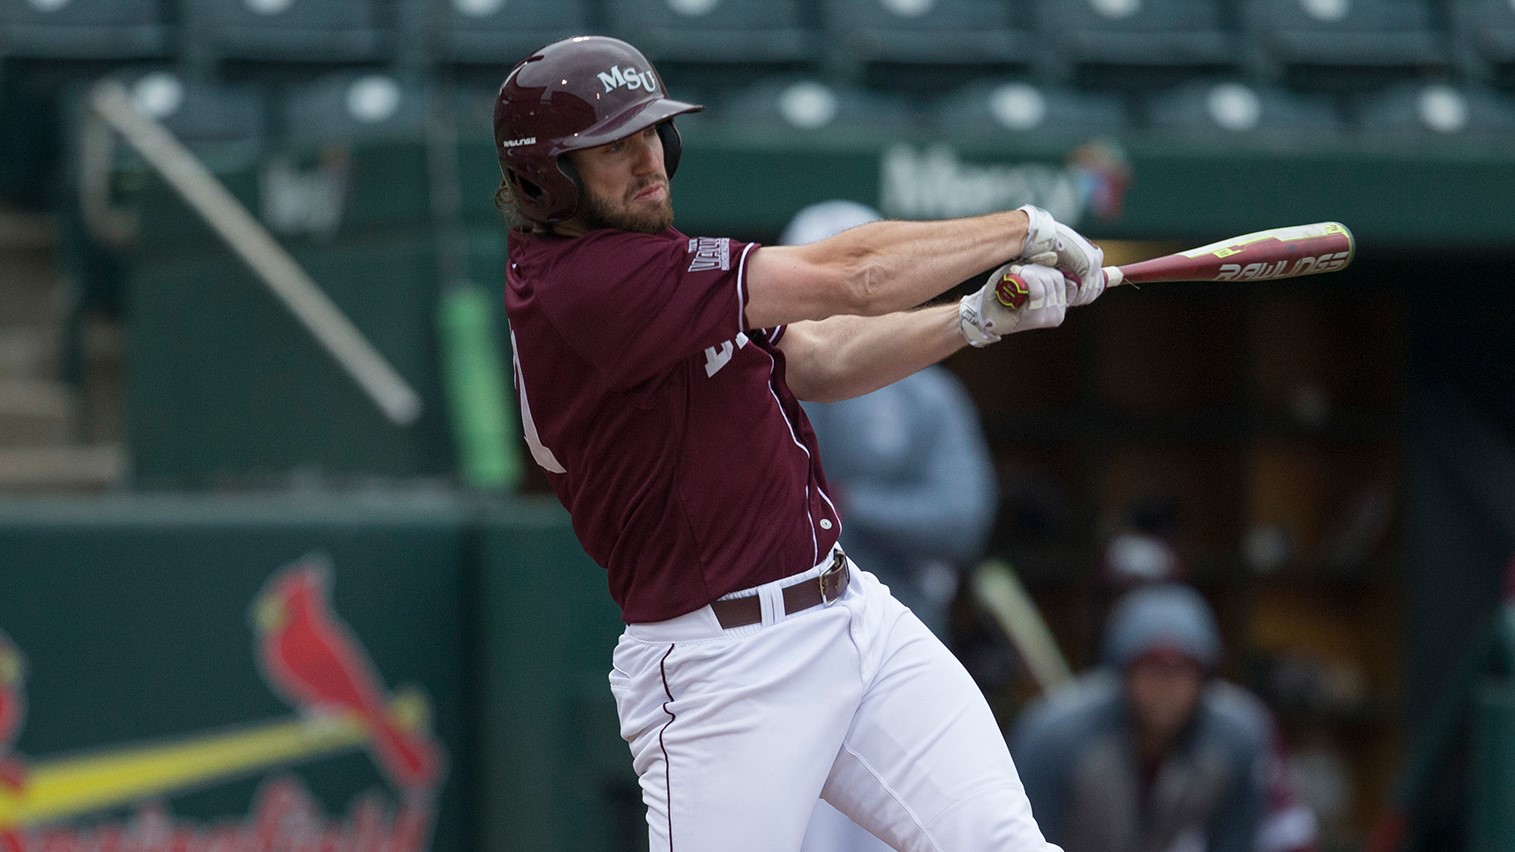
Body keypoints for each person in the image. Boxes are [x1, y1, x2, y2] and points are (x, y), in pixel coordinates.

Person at [495, 35, 1106, 851]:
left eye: (651, 134)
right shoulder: (585, 288)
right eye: (613, 147)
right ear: (547, 178)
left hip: (850, 617)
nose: (648, 161)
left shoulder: (653, 259)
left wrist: (974, 318)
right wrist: (1021, 226)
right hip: (719, 670)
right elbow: (854, 276)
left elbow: (817, 358)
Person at [780, 203, 1000, 852]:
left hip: (901, 666)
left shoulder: (925, 395)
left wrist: (849, 505)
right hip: (787, 672)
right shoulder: (758, 380)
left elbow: (962, 518)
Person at [1009, 584, 1319, 852]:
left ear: (1204, 679)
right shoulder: (1055, 736)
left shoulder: (1236, 736)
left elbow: (1235, 841)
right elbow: (1024, 841)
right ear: (1123, 673)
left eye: (1181, 672)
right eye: (1151, 671)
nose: (1166, 688)